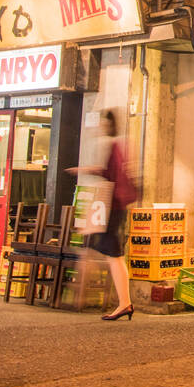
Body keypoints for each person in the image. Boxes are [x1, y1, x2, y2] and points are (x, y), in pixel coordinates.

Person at [65, 109, 138, 320]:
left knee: (109, 254)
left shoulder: (114, 145)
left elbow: (110, 174)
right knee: (110, 254)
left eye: (103, 124)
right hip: (115, 206)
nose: (101, 128)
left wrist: (85, 170)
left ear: (109, 125)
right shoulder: (120, 145)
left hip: (113, 206)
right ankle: (123, 302)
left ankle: (116, 301)